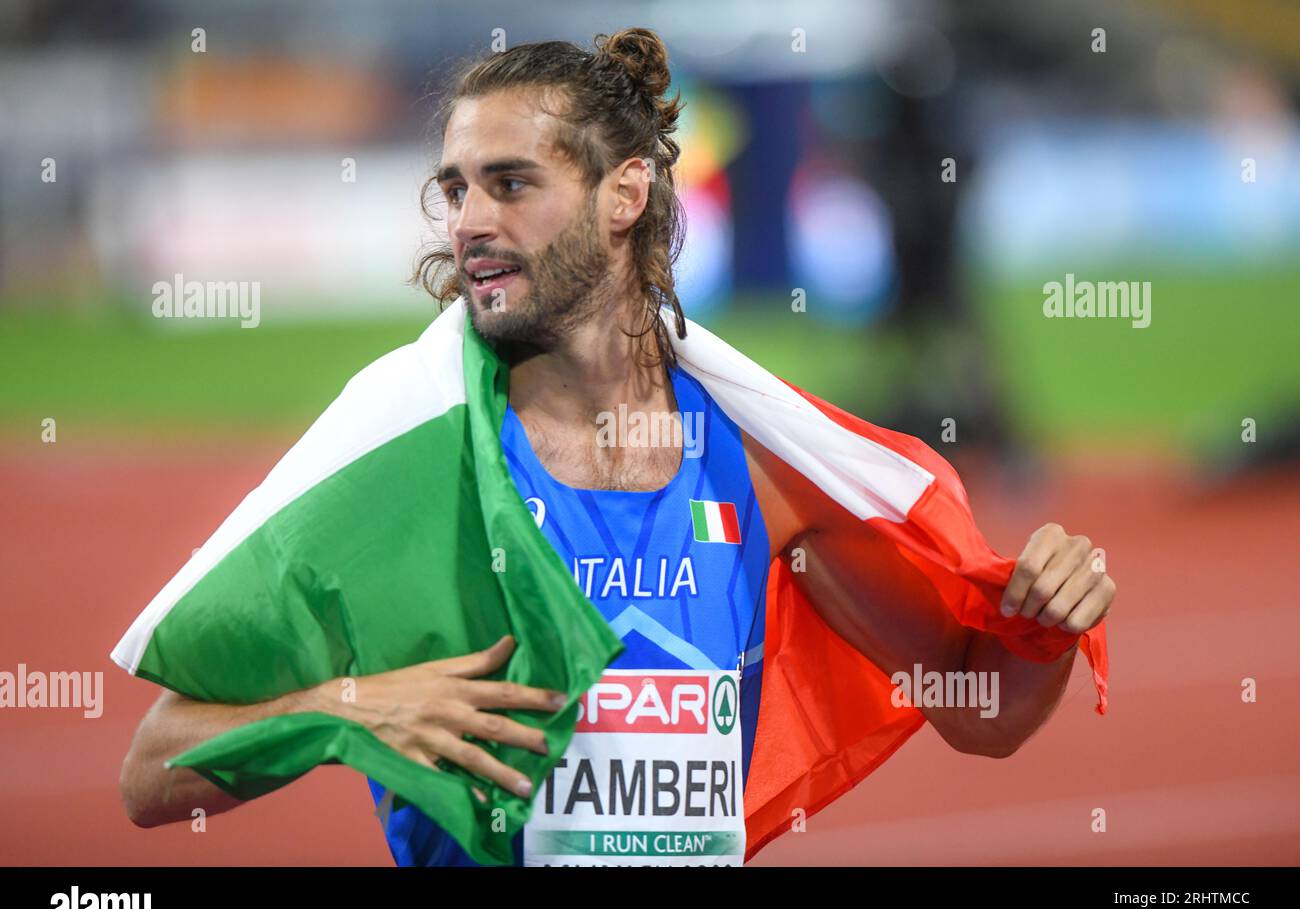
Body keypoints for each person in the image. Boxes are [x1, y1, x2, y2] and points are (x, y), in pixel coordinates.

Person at [119, 28, 1115, 866]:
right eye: (456, 188)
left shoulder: (758, 465)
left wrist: (1041, 631)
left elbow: (979, 709)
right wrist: (353, 706)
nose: (469, 221)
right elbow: (155, 767)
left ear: (623, 193)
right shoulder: (416, 453)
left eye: (510, 183)